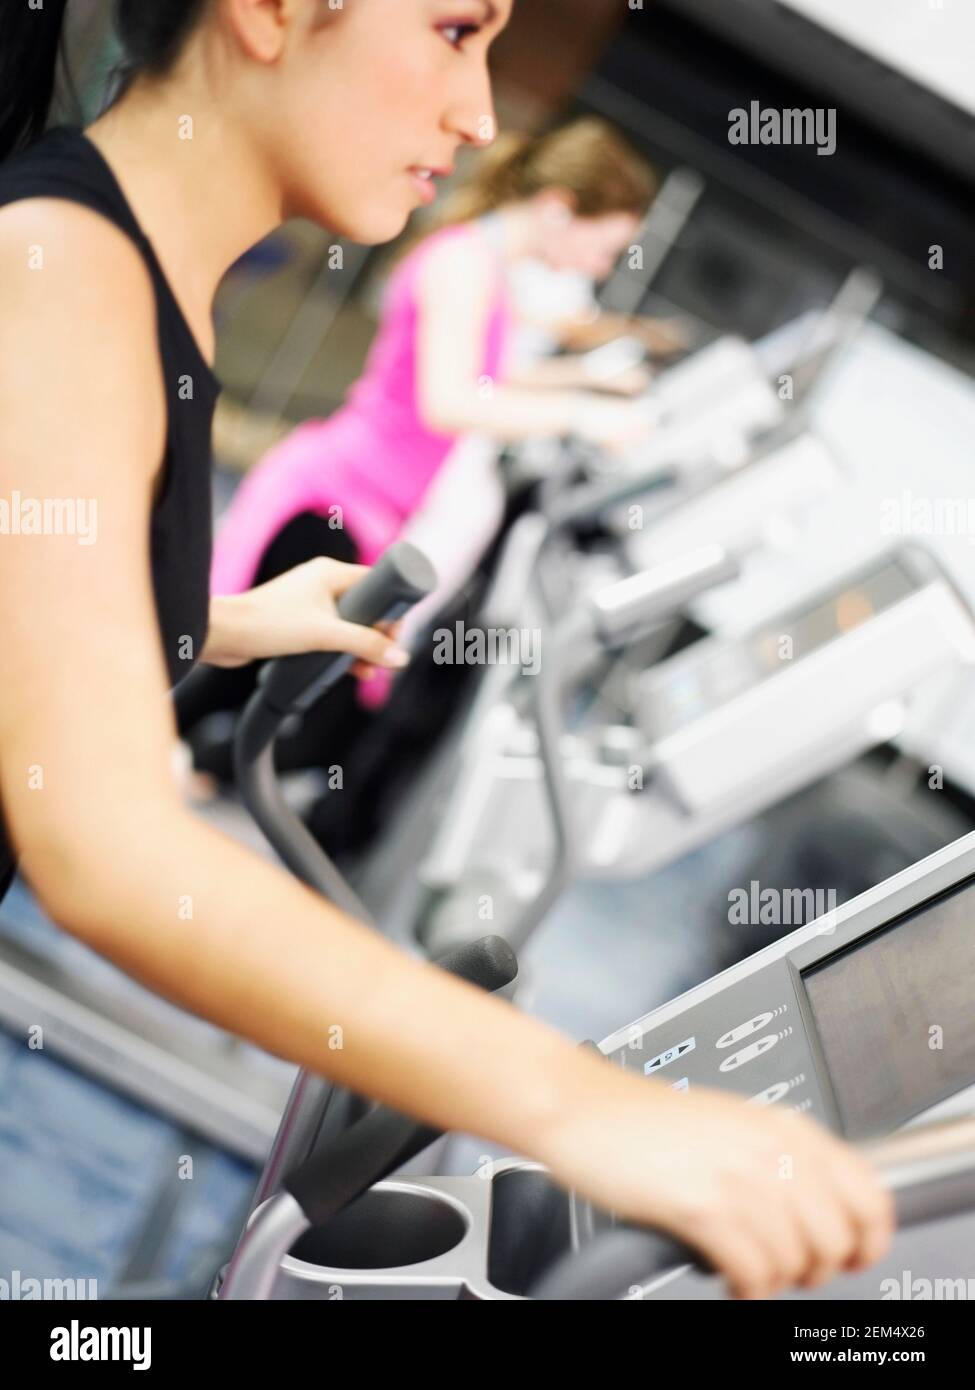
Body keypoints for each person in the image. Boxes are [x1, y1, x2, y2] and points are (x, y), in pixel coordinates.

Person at [0, 0, 892, 1300]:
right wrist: (586, 1110)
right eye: (453, 30)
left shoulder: (141, 277)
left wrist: (226, 617)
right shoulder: (65, 265)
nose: (480, 114)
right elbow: (105, 852)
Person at [178, 117, 662, 790]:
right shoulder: (463, 265)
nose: (603, 268)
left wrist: (589, 381)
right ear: (558, 210)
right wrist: (581, 414)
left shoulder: (485, 269)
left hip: (366, 510)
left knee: (262, 695)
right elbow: (449, 401)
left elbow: (484, 377)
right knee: (243, 691)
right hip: (333, 503)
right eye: (605, 248)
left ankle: (146, 790)